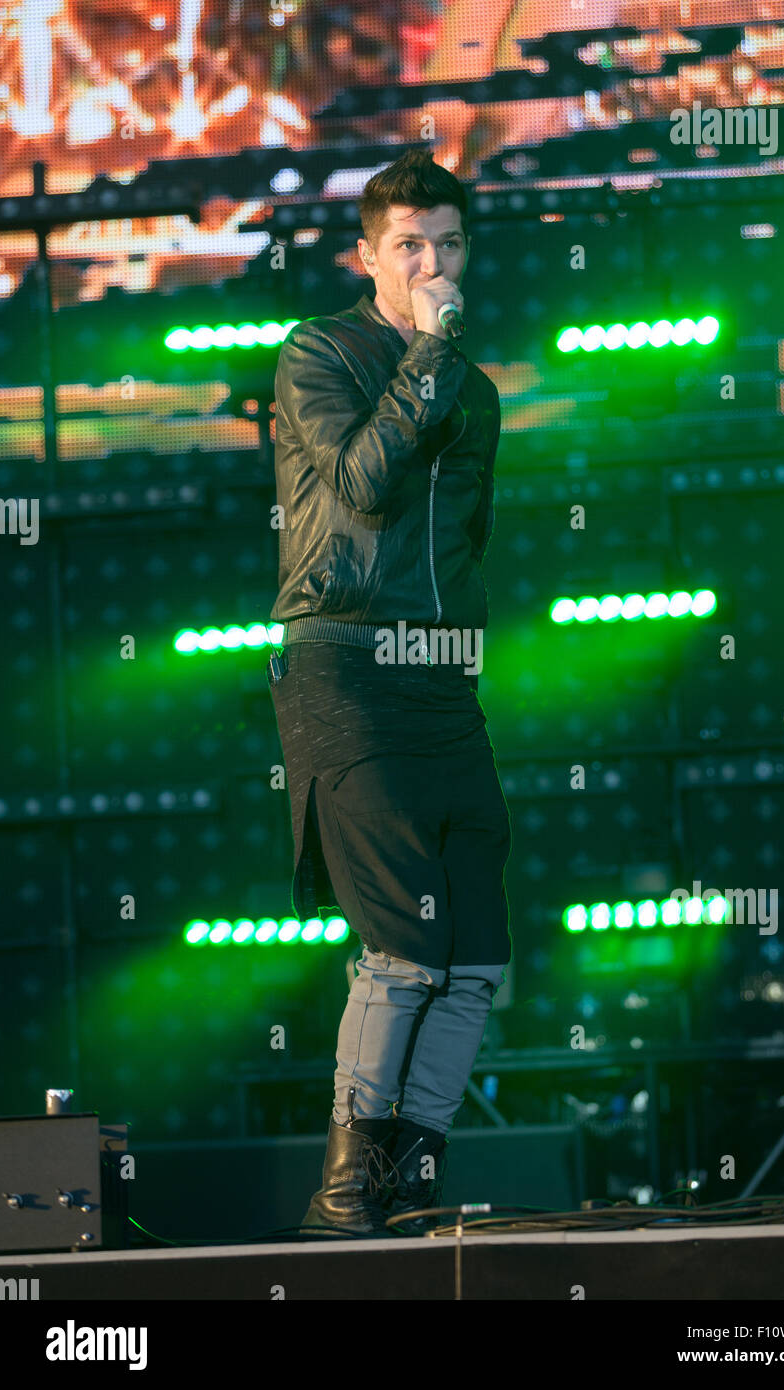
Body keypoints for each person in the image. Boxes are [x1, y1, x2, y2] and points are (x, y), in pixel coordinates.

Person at [267, 148, 512, 1237]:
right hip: (344, 660)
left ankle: (413, 1173)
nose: (431, 263)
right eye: (409, 246)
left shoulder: (479, 394)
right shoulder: (317, 353)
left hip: (439, 674)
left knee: (475, 951)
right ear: (368, 255)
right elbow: (362, 486)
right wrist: (425, 351)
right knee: (404, 944)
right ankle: (343, 1188)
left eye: (447, 245)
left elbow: (467, 540)